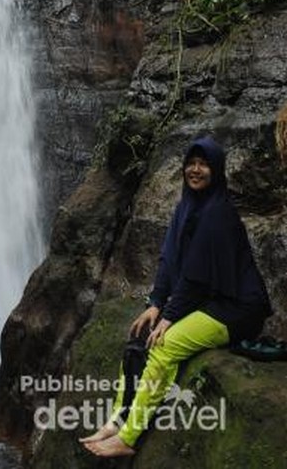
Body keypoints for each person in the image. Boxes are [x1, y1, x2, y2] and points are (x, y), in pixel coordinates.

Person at [79, 134, 272, 458]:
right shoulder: (185, 208)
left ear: (217, 170)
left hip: (237, 308)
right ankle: (117, 419)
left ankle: (129, 437)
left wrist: (169, 316)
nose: (195, 170)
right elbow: (169, 261)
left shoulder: (218, 213)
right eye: (191, 164)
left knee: (163, 346)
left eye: (203, 164)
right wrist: (156, 303)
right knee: (140, 333)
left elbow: (195, 275)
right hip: (206, 301)